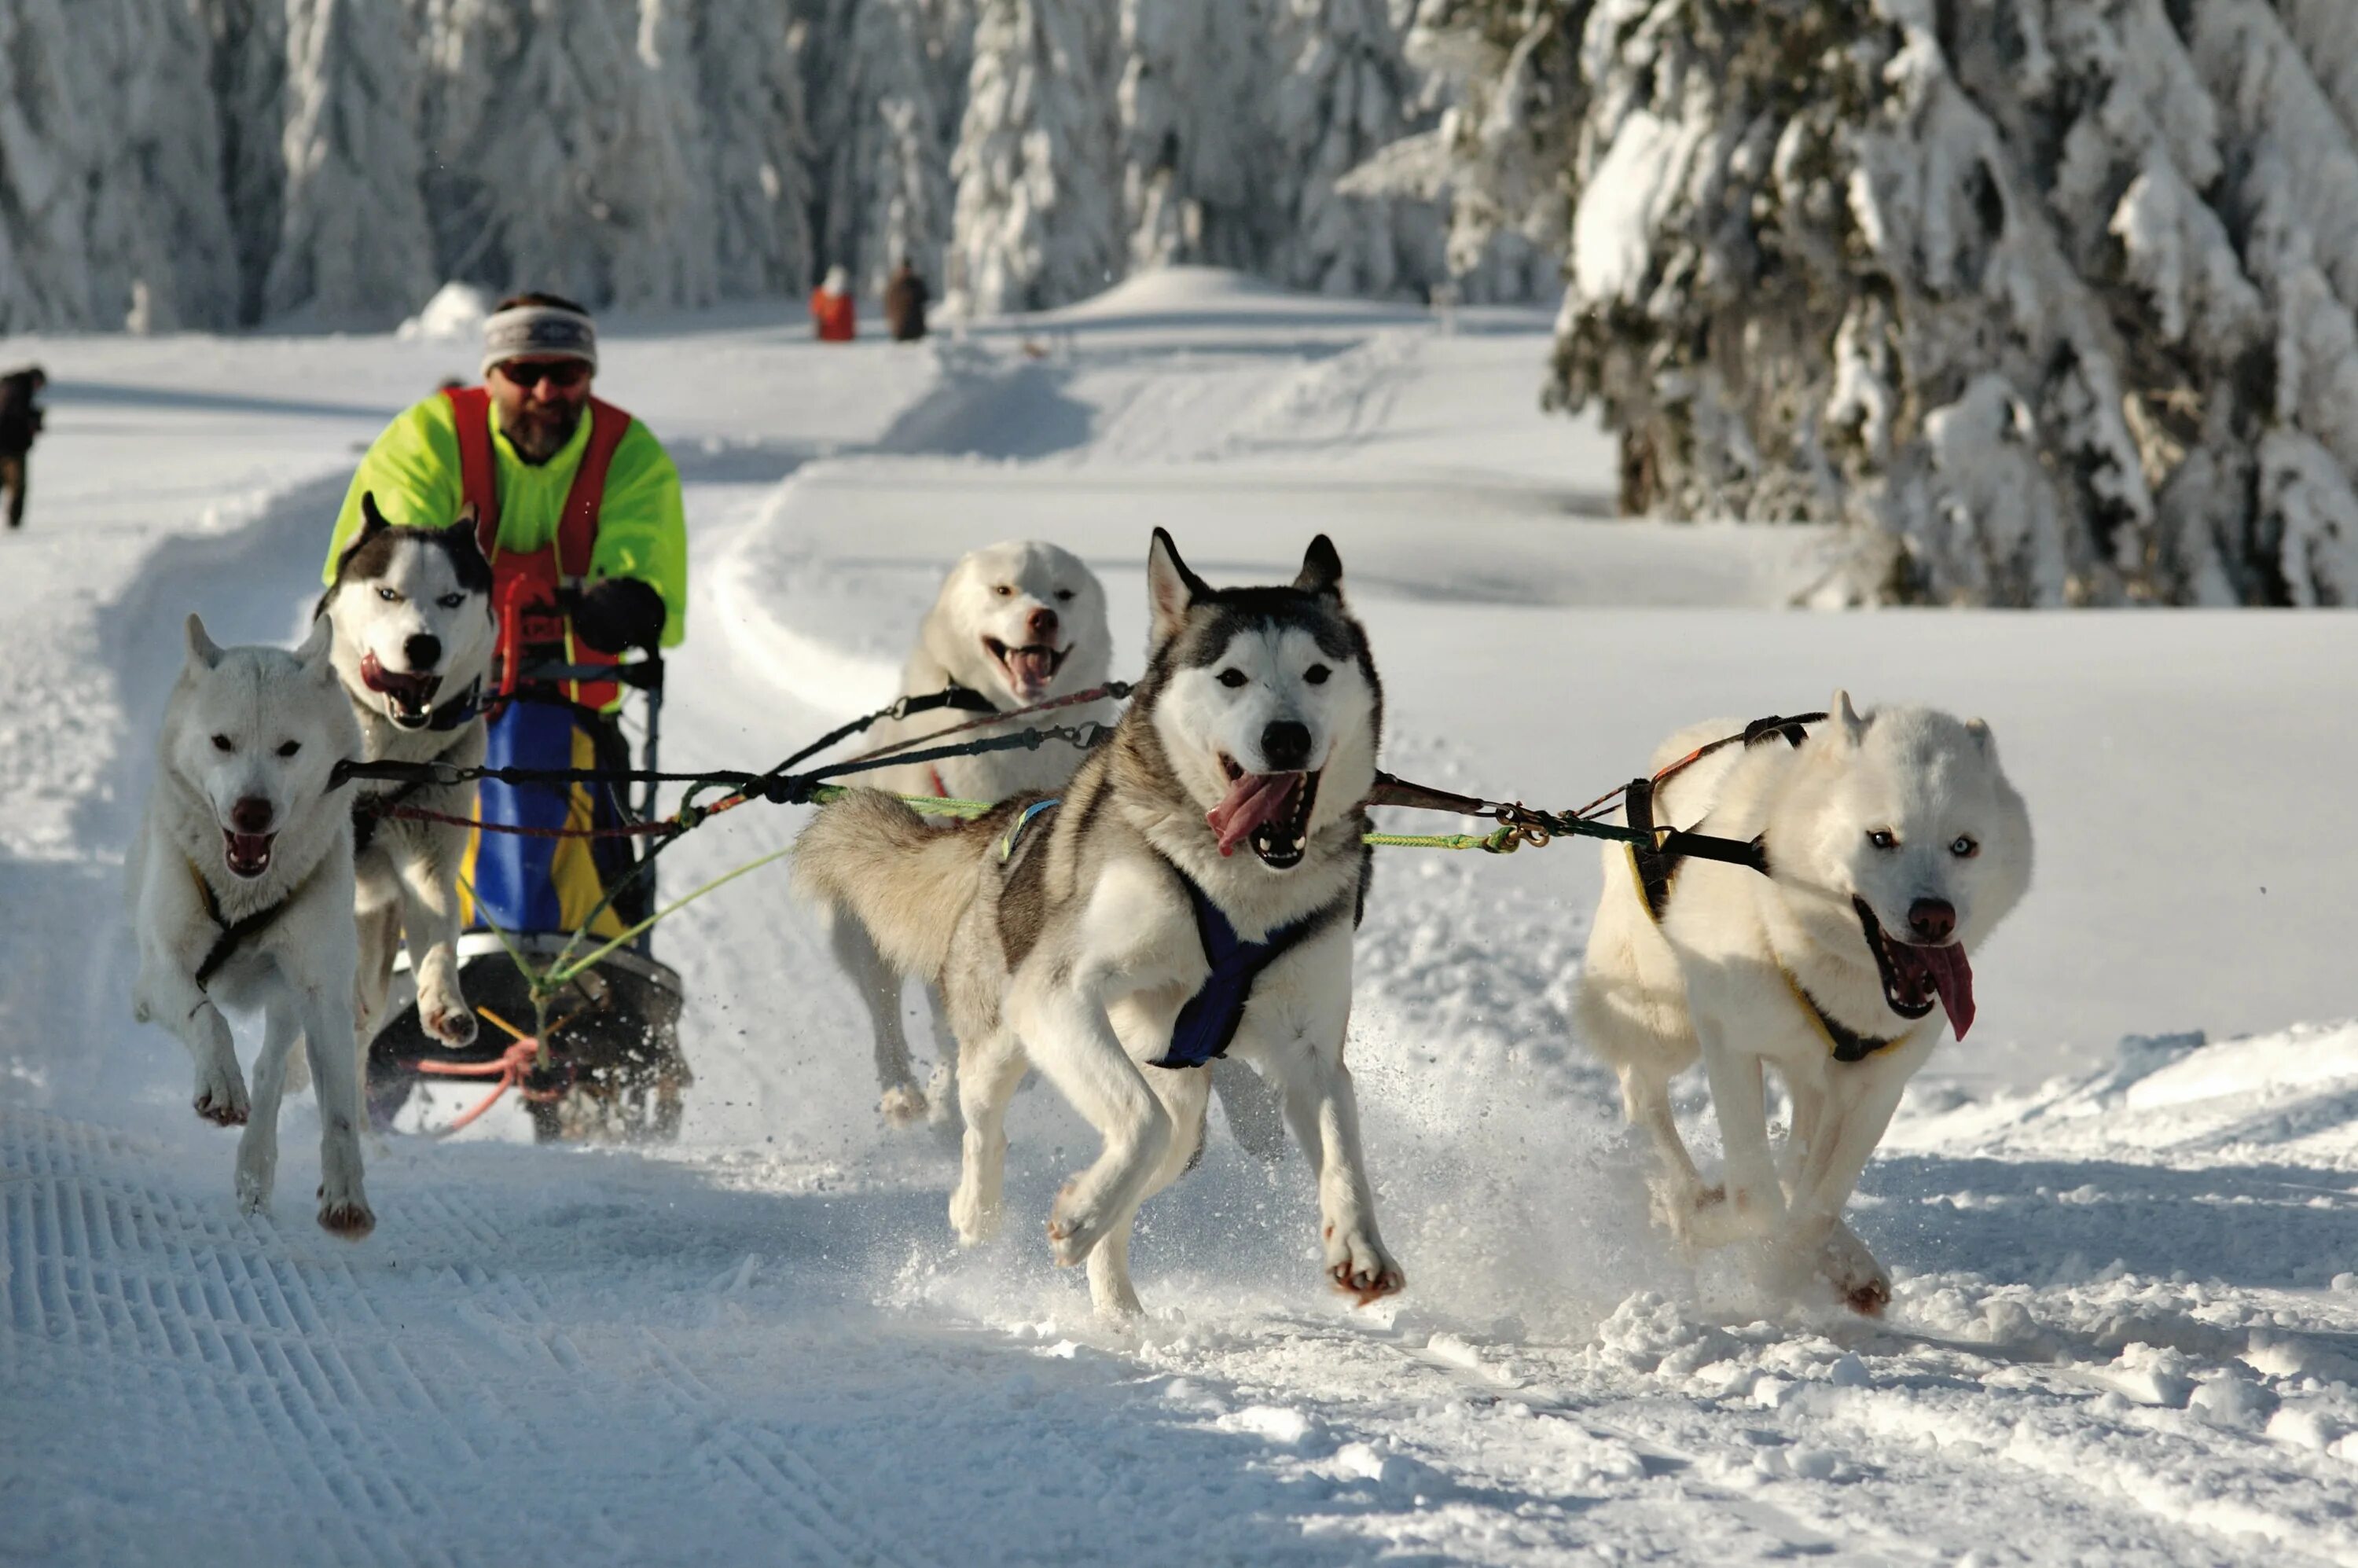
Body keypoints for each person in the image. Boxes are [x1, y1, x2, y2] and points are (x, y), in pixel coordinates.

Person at [321, 292, 687, 938]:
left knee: (584, 842)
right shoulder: (430, 438)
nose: (545, 389)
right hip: (417, 724)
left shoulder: (625, 453)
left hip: (575, 719)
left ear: (589, 377)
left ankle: (574, 962)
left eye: (566, 373)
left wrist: (627, 598)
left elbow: (643, 568)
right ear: (491, 376)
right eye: (524, 372)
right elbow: (399, 566)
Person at [0, 365, 47, 531]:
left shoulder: (6, 385)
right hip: (13, 448)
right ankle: (14, 525)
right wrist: (35, 419)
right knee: (18, 487)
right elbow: (19, 415)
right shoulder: (21, 388)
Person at [883, 258, 929, 343]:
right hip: (900, 328)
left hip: (916, 328)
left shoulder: (916, 283)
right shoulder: (895, 285)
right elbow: (888, 303)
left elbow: (924, 298)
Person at [810, 265, 856, 342]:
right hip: (844, 337)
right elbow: (851, 319)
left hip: (826, 337)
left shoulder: (820, 294)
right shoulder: (846, 298)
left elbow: (816, 315)